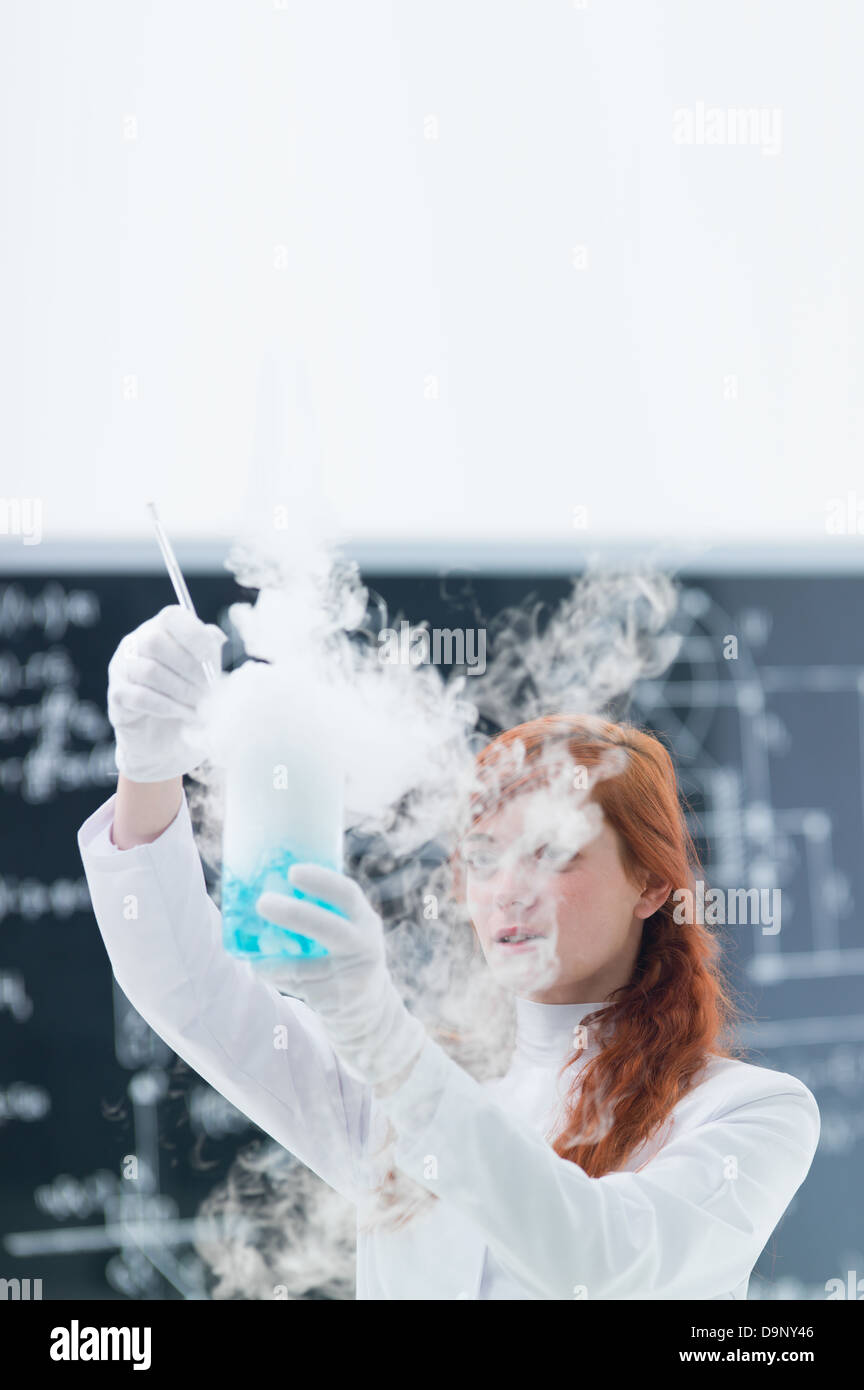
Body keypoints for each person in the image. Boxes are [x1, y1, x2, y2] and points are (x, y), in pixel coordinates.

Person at [77, 604, 821, 1300]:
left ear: (653, 886)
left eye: (552, 852)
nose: (509, 891)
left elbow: (600, 1266)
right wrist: (147, 764)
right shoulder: (397, 1091)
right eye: (485, 856)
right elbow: (192, 993)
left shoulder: (749, 1114)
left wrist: (384, 1041)